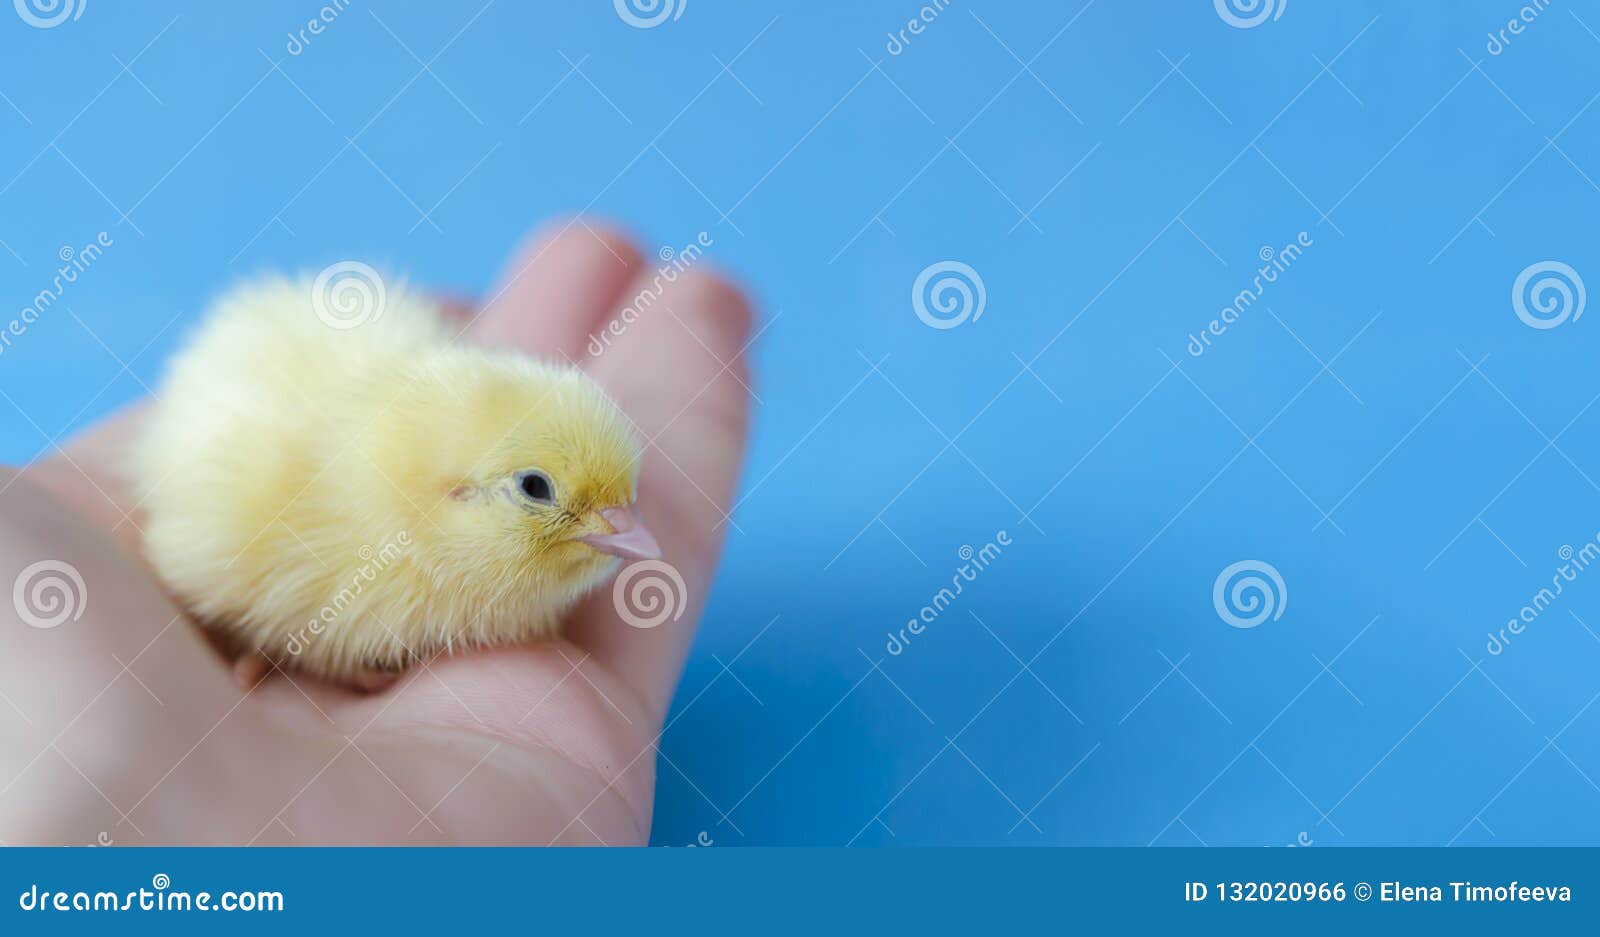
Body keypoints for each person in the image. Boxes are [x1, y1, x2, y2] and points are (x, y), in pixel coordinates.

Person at [0, 221, 753, 845]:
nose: (623, 529)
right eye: (537, 492)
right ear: (450, 493)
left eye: (617, 502)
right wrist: (276, 640)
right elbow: (191, 556)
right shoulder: (265, 507)